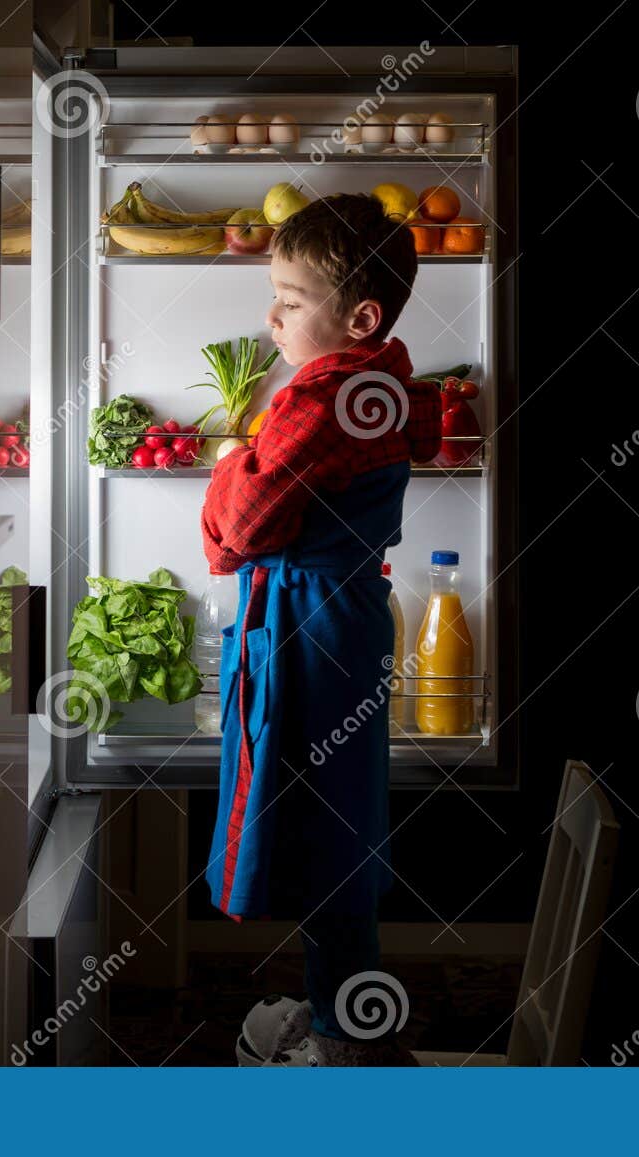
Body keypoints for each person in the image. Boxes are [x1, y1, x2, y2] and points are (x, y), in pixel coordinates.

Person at [200, 193, 443, 1066]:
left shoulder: (331, 396)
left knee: (326, 832)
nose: (271, 315)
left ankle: (345, 1045)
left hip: (312, 627)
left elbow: (246, 524)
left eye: (290, 299)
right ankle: (337, 1011)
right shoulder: (367, 384)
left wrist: (231, 463)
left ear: (359, 317)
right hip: (333, 619)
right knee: (324, 819)